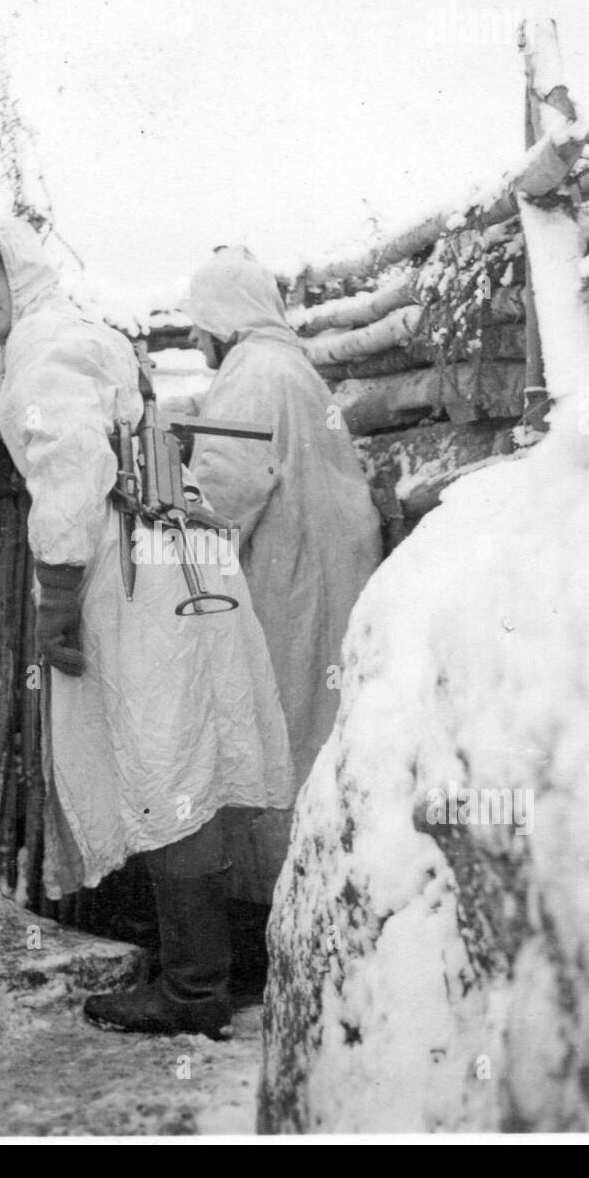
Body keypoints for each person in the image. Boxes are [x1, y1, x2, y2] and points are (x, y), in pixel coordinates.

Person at [0, 215, 292, 1038]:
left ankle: (192, 991)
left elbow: (70, 458)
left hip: (131, 565)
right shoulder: (61, 334)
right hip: (175, 550)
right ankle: (202, 969)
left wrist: (57, 588)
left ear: (23, 271)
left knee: (163, 755)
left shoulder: (46, 345)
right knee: (186, 751)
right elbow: (30, 397)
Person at [184, 246, 383, 907]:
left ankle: (273, 919)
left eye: (199, 320)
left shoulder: (249, 371)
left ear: (222, 318)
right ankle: (321, 905)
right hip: (336, 569)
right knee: (320, 733)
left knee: (278, 741)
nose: (193, 336)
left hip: (287, 576)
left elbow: (227, 485)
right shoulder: (293, 365)